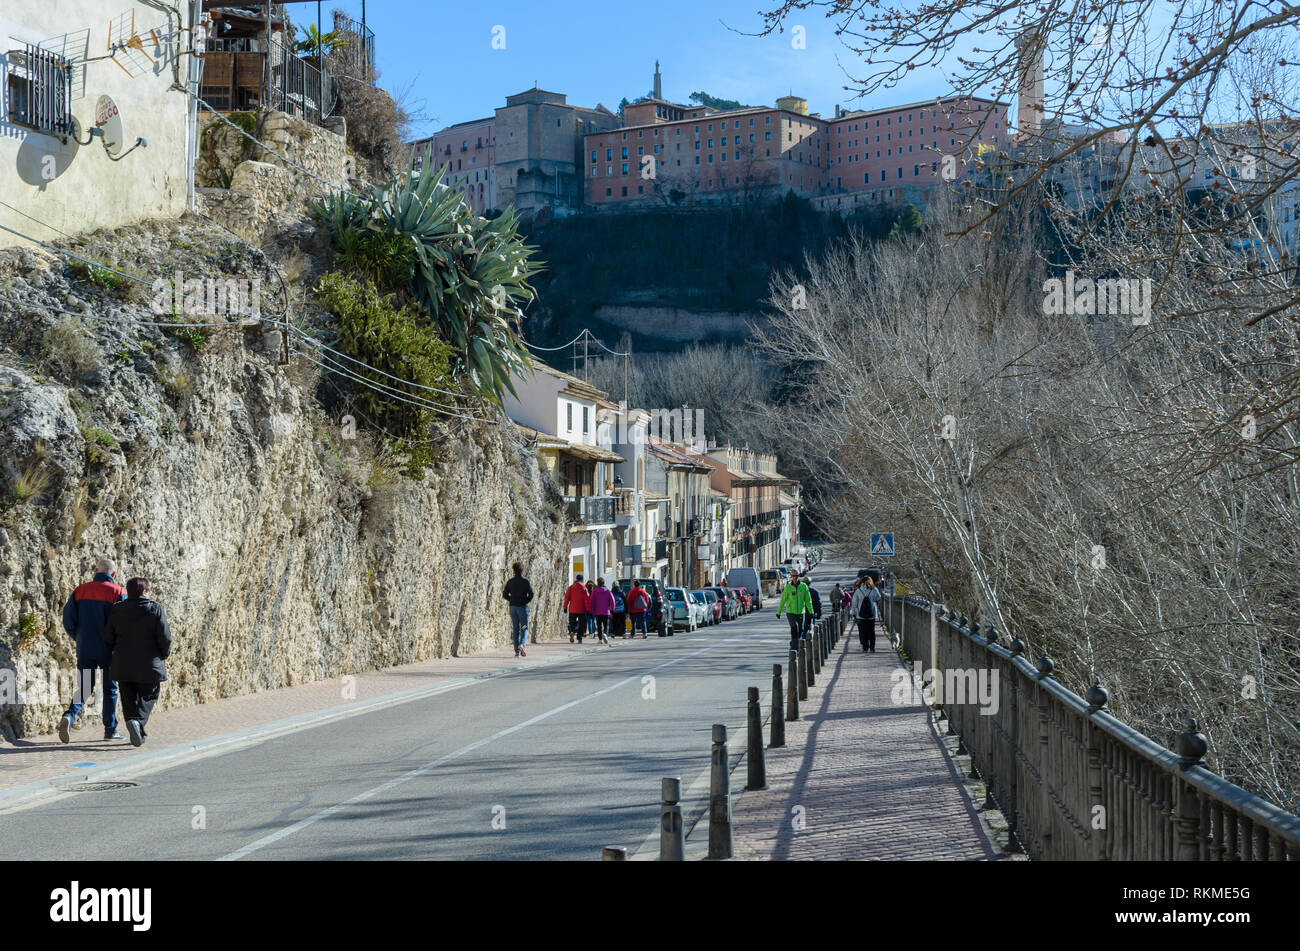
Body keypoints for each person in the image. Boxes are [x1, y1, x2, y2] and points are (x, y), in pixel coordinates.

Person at [58, 558, 126, 743]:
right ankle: (110, 730)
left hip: (85, 648)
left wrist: (78, 637)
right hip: (109, 650)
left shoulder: (80, 591)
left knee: (86, 686)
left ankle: (70, 715)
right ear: (113, 574)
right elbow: (123, 623)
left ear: (96, 570)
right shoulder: (118, 592)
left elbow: (68, 619)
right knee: (110, 689)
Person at [100, 577, 171, 747]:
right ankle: (137, 722)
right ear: (145, 591)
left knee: (128, 698)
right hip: (148, 664)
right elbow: (165, 637)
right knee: (150, 695)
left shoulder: (117, 609)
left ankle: (134, 723)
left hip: (122, 664)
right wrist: (163, 654)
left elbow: (108, 636)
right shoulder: (154, 608)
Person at [502, 561, 534, 657]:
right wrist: (525, 601)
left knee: (516, 629)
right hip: (522, 608)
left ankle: (517, 651)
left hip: (513, 608)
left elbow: (504, 594)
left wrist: (511, 599)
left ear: (513, 570)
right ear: (522, 570)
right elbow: (531, 594)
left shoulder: (510, 581)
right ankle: (522, 645)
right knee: (524, 627)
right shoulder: (525, 581)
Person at [776, 571, 813, 652]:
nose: (795, 577)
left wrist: (811, 612)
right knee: (794, 628)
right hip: (790, 612)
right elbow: (783, 600)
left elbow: (808, 600)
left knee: (801, 629)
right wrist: (778, 612)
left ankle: (794, 642)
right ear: (791, 577)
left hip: (800, 612)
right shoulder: (788, 587)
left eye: (796, 576)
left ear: (798, 576)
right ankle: (795, 647)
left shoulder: (804, 586)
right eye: (793, 576)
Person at [851, 577, 881, 653]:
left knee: (863, 631)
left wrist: (854, 613)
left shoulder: (858, 591)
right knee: (871, 631)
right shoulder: (874, 589)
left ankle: (865, 647)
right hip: (872, 614)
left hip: (861, 615)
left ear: (861, 582)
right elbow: (878, 599)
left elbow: (854, 603)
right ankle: (872, 647)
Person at [563, 574, 590, 644]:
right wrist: (588, 609)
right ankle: (579, 638)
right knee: (582, 624)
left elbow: (567, 598)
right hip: (582, 609)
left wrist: (565, 607)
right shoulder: (584, 588)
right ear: (582, 580)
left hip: (572, 608)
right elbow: (587, 600)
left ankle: (572, 631)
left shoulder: (571, 587)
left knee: (572, 622)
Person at [588, 578, 615, 646]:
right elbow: (612, 600)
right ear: (604, 583)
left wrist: (591, 610)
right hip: (606, 611)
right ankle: (605, 634)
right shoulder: (608, 591)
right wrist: (612, 609)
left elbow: (591, 601)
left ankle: (600, 639)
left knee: (599, 625)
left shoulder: (595, 591)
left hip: (597, 611)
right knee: (606, 625)